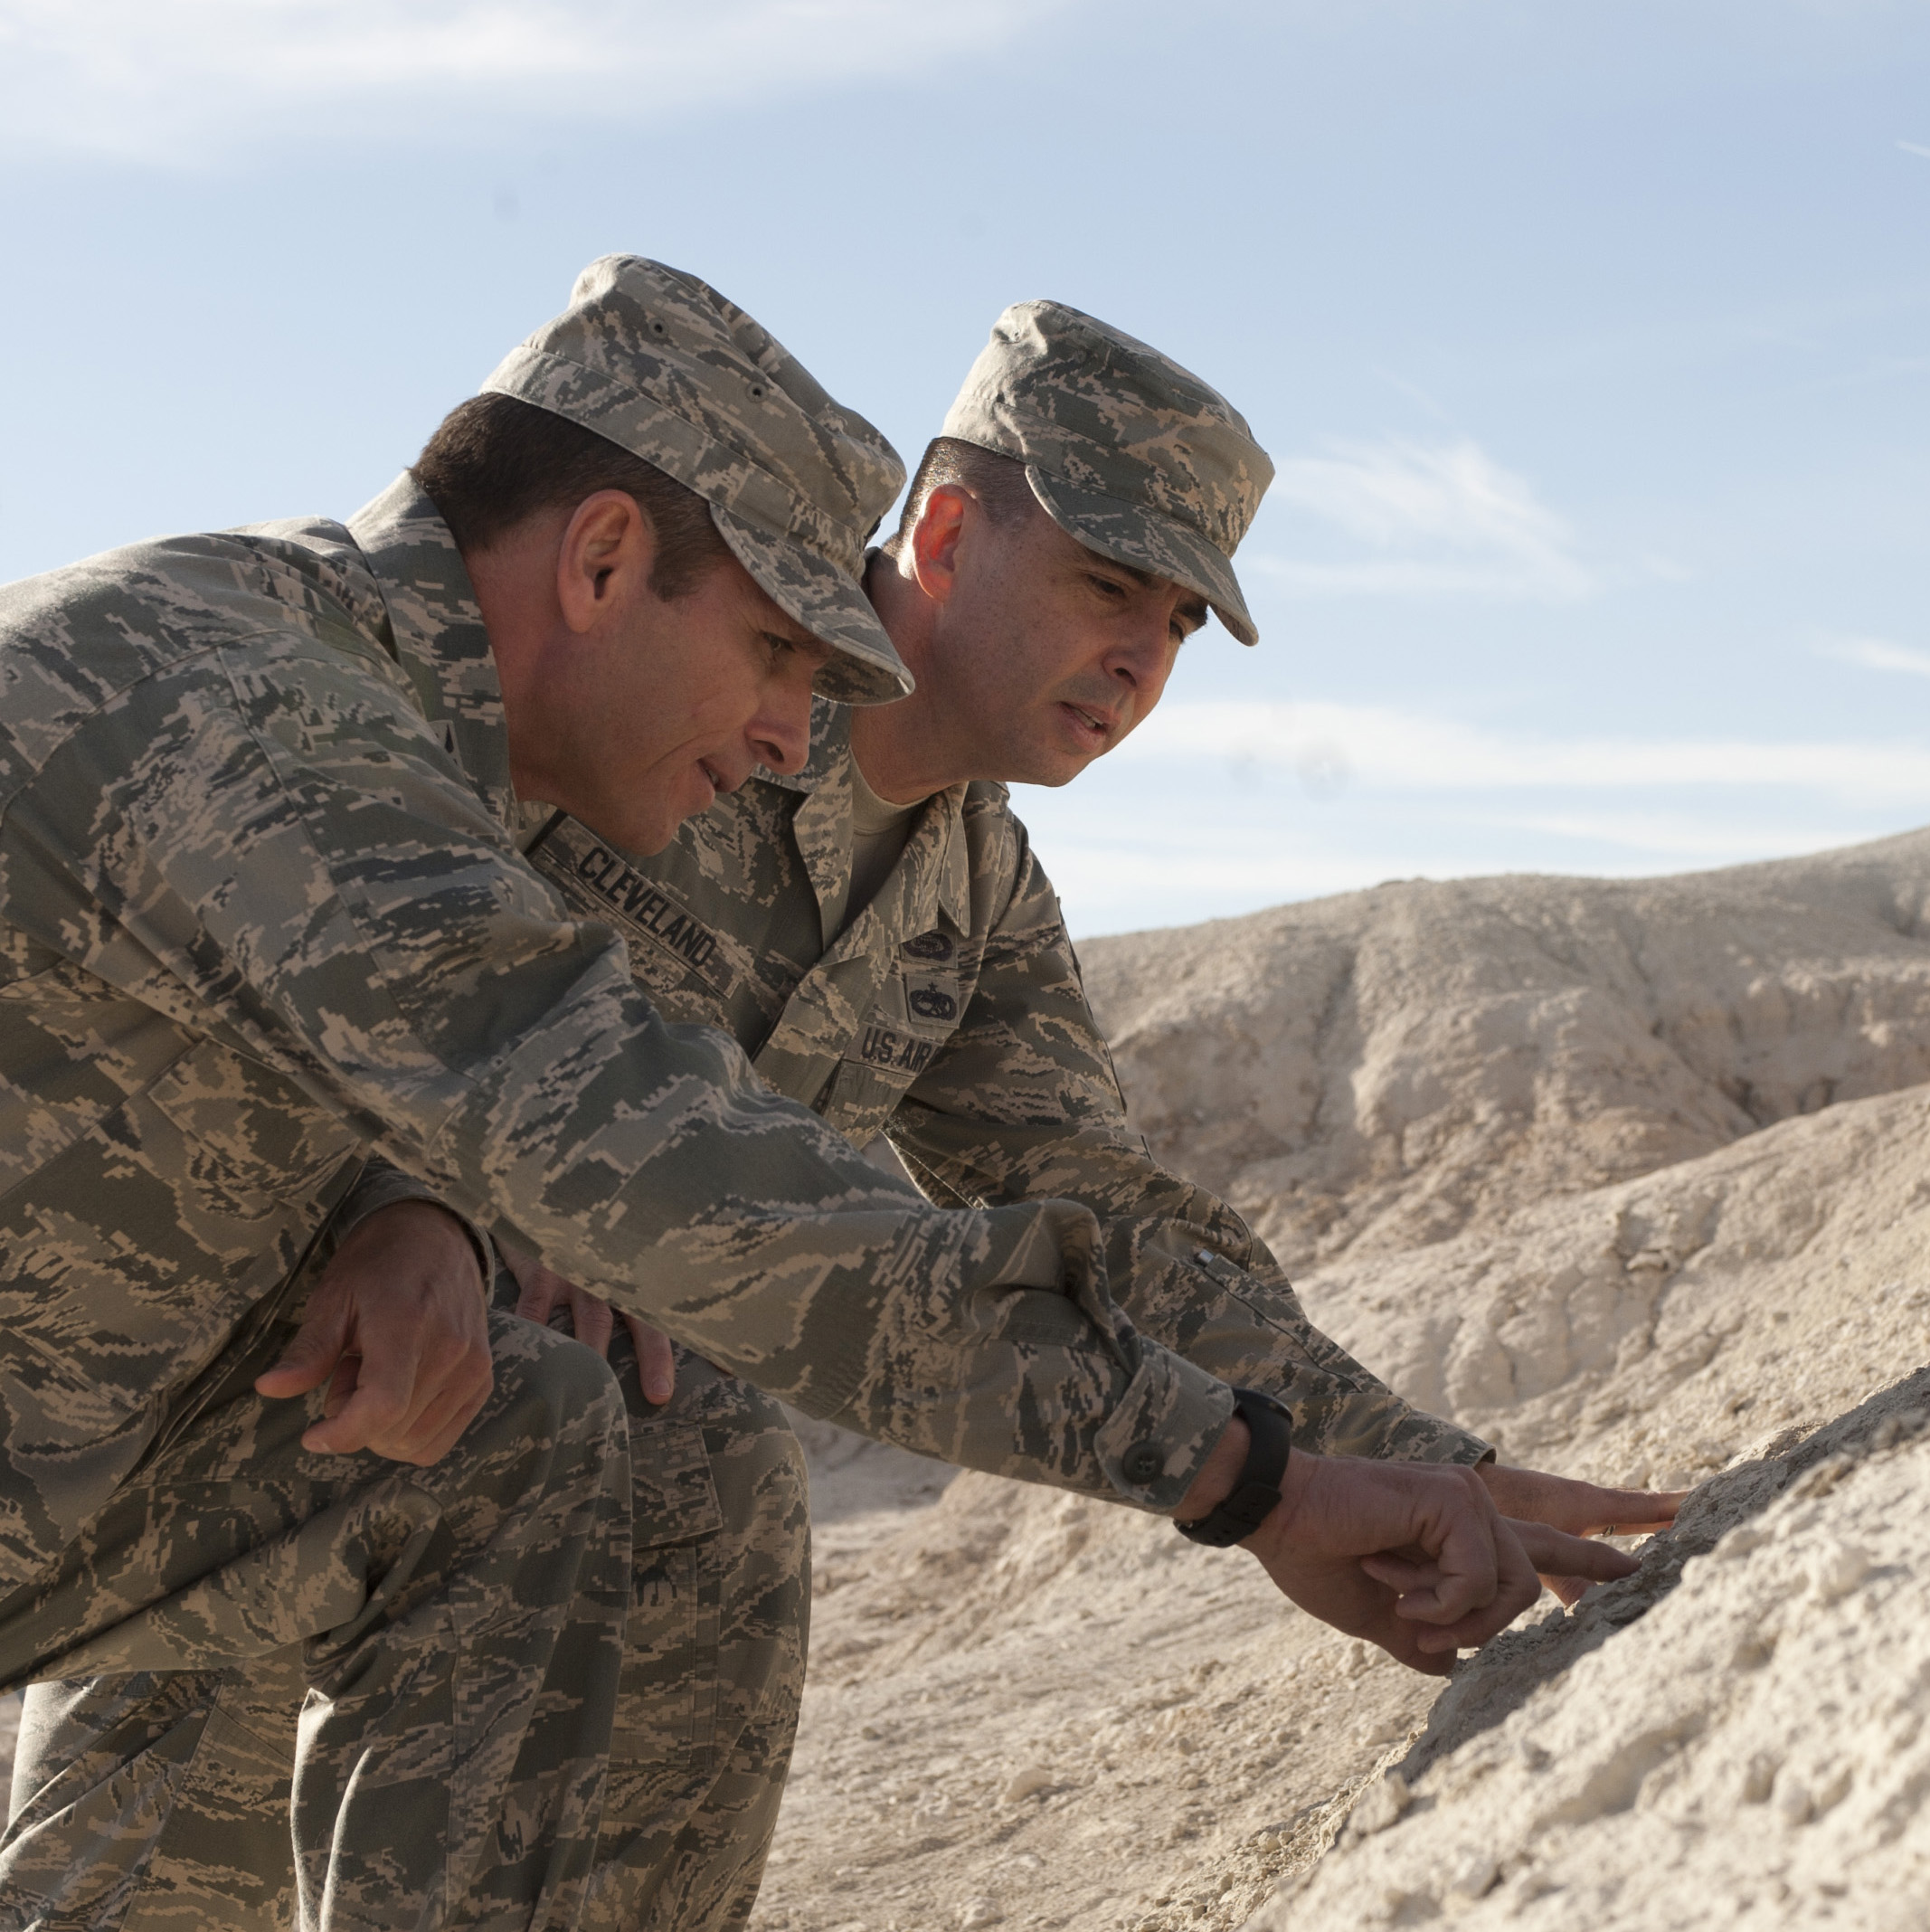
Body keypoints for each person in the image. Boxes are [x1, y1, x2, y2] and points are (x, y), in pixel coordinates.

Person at [0, 258, 1660, 1932]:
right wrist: (420, 1206)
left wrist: (1402, 1465)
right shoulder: (410, 714)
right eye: (1109, 586)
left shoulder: (952, 884)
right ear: (939, 539)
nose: (1139, 663)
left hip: (360, 1411)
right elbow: (509, 1067)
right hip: (204, 1363)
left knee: (674, 1446)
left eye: (1177, 629)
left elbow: (1097, 1209)